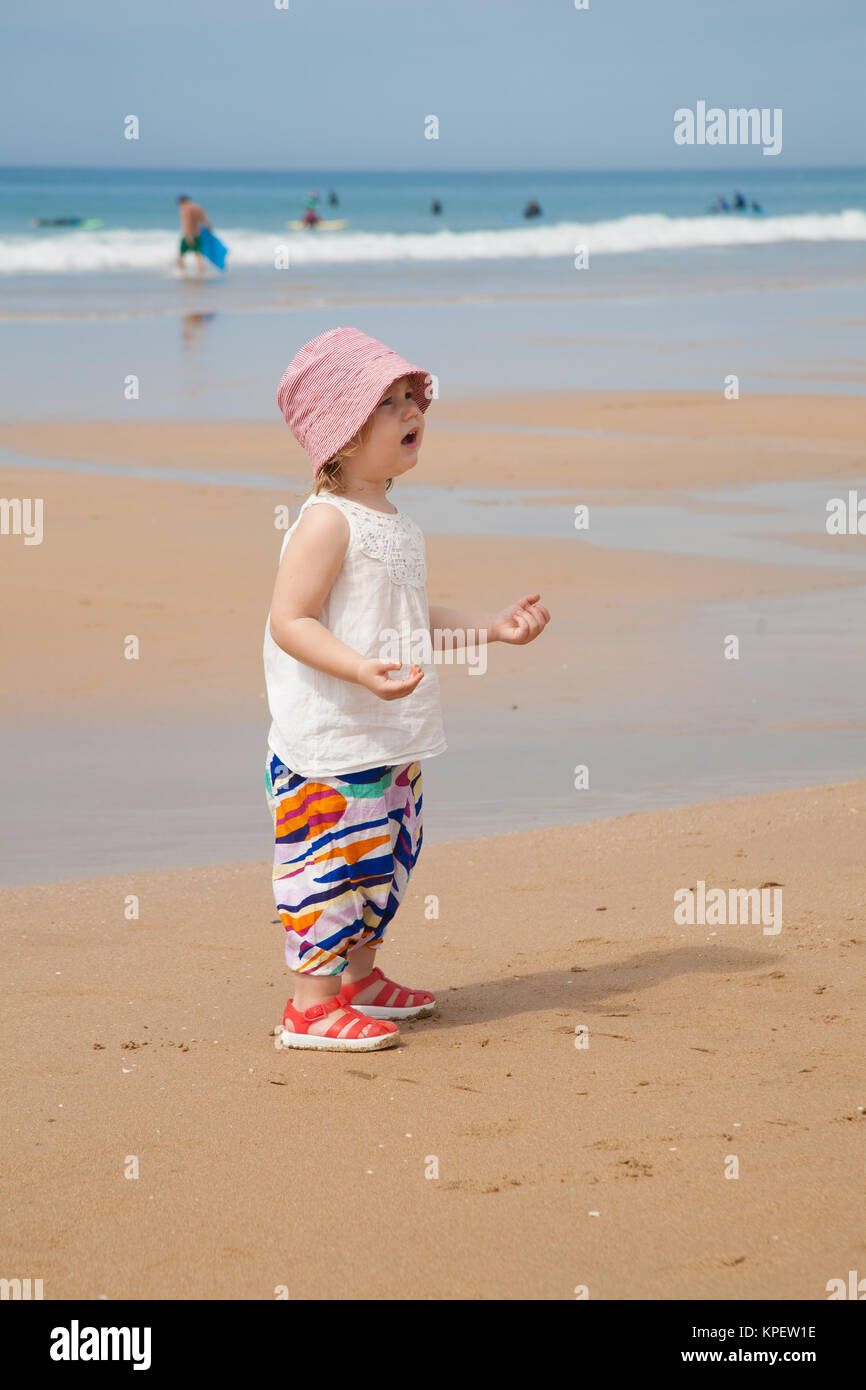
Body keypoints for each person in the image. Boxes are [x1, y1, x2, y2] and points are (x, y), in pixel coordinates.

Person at [265, 326, 550, 1050]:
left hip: (391, 735)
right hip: (334, 743)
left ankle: (360, 978)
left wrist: (491, 628)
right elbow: (290, 620)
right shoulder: (327, 522)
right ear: (341, 434)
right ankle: (311, 1004)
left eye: (408, 398)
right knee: (331, 863)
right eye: (386, 404)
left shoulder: (392, 521)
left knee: (388, 854)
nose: (410, 411)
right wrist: (358, 669)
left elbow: (409, 621)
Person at [176, 194, 212, 274]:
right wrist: (209, 232)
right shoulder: (198, 208)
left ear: (182, 202)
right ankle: (201, 273)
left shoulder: (185, 209)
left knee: (180, 256)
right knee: (198, 255)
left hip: (189, 235)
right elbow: (206, 221)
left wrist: (189, 236)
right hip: (198, 234)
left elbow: (187, 222)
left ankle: (181, 274)